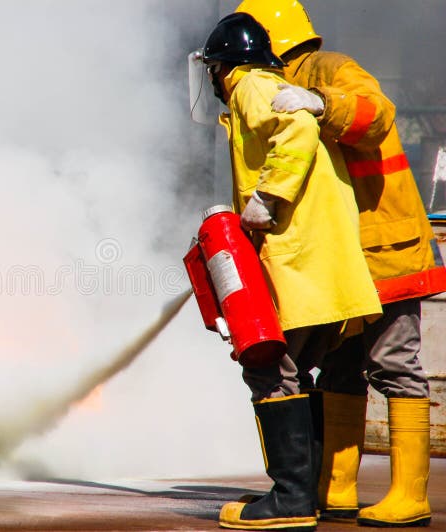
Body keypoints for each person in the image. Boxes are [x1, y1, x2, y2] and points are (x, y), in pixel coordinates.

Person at [235, 0, 446, 527]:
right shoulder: (283, 81)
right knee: (341, 368)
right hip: (346, 258)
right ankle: (338, 488)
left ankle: (410, 495)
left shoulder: (328, 70)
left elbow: (378, 114)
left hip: (387, 249)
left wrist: (322, 103)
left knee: (393, 364)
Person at [199, 12, 382, 531]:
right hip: (321, 265)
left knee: (267, 368)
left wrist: (268, 194)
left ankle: (291, 498)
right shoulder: (269, 83)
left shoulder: (250, 86)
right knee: (298, 373)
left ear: (221, 67)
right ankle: (305, 491)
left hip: (299, 263)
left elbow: (296, 126)